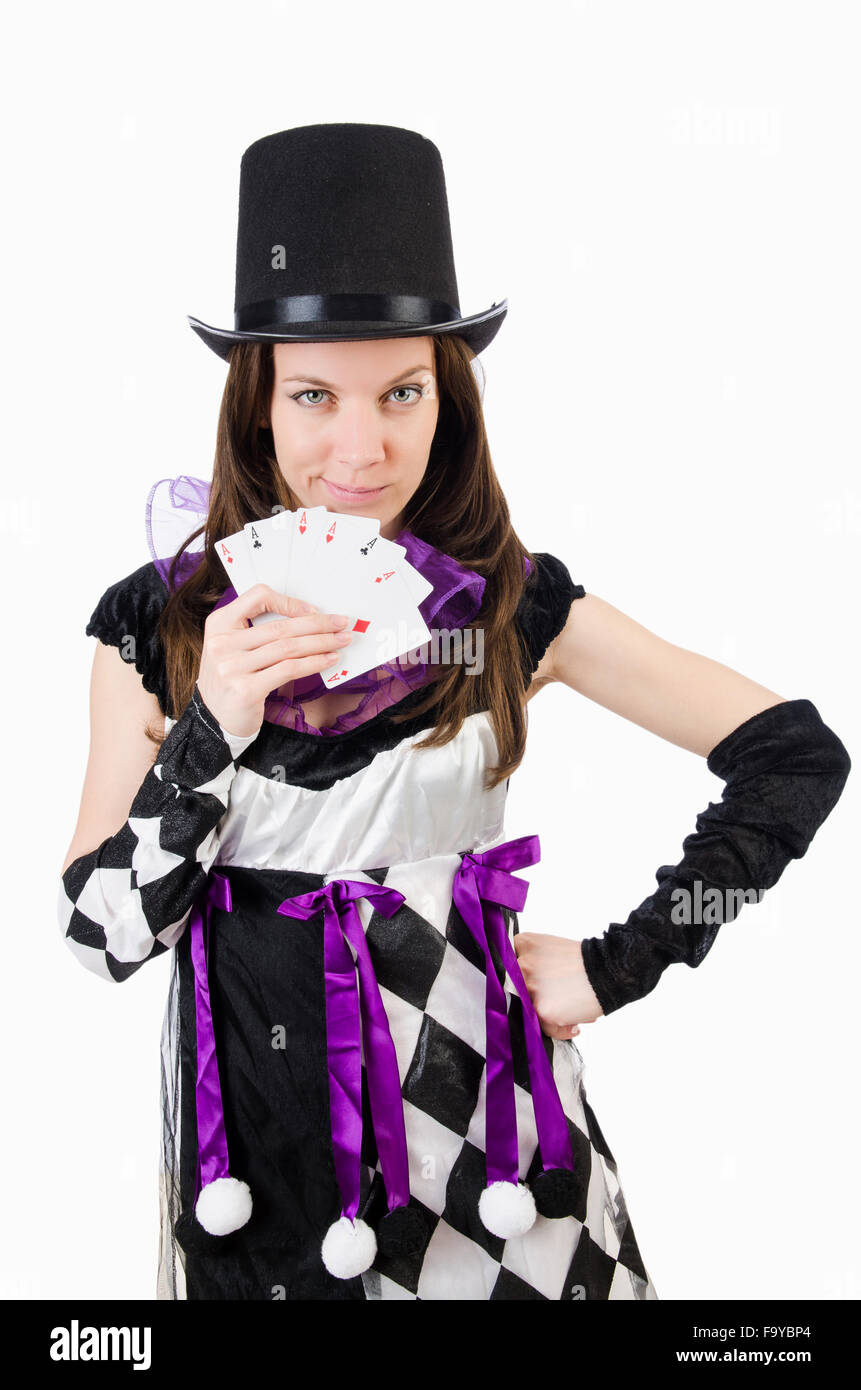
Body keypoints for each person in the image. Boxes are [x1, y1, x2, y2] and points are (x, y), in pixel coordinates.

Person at [59, 123, 851, 1302]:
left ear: (450, 394)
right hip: (265, 1177)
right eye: (316, 393)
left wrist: (631, 958)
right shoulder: (157, 627)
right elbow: (106, 937)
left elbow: (800, 757)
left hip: (503, 1161)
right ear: (257, 400)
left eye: (404, 391)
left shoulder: (512, 610)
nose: (361, 449)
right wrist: (212, 723)